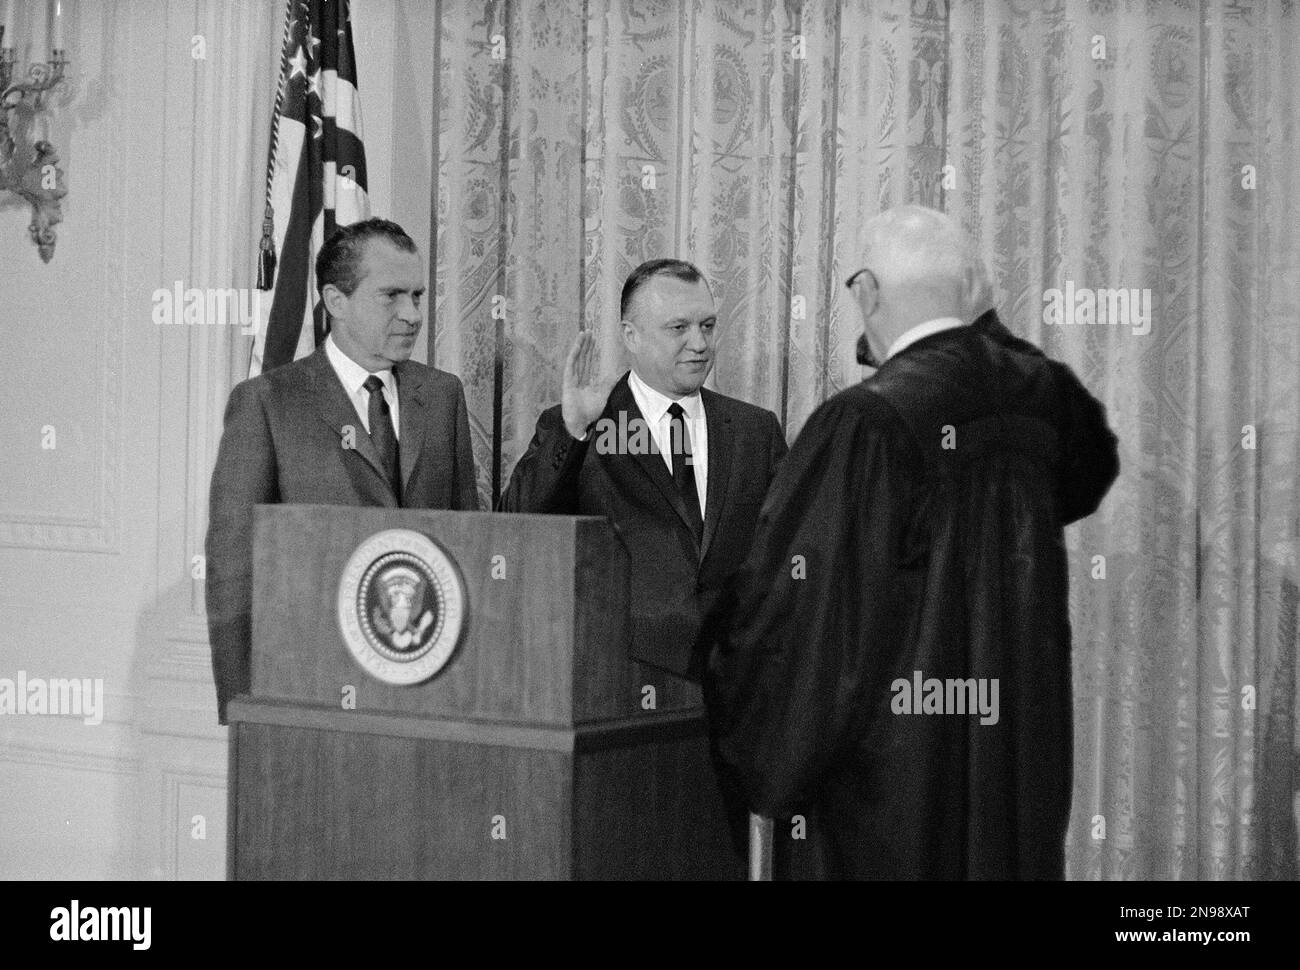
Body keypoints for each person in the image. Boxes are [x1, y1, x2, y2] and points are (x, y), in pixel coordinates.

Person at [705, 205, 1120, 879]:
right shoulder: (1043, 396)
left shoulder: (862, 423)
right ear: (974, 293)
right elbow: (1091, 467)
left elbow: (797, 622)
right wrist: (983, 331)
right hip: (1016, 774)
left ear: (867, 292)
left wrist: (753, 744)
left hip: (891, 796)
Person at [205, 218, 479, 725]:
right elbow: (233, 570)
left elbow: (469, 540)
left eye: (418, 295)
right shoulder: (267, 404)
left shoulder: (442, 396)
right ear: (335, 300)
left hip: (432, 689)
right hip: (310, 690)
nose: (412, 314)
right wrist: (242, 705)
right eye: (392, 296)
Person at [498, 258, 788, 682]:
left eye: (707, 326)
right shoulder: (586, 425)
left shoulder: (754, 430)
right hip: (620, 677)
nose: (699, 343)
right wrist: (574, 431)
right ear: (630, 335)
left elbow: (785, 546)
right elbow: (516, 526)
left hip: (737, 681)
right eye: (679, 328)